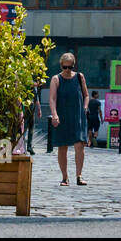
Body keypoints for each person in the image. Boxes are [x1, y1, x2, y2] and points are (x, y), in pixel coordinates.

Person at [49, 52, 88, 186]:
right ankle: (65, 177)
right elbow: (52, 99)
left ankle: (79, 175)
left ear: (73, 66)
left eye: (69, 67)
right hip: (62, 115)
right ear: (61, 66)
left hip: (77, 115)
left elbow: (86, 95)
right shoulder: (56, 79)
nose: (67, 70)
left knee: (79, 145)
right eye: (65, 67)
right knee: (62, 146)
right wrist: (54, 114)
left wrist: (85, 107)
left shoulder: (79, 77)